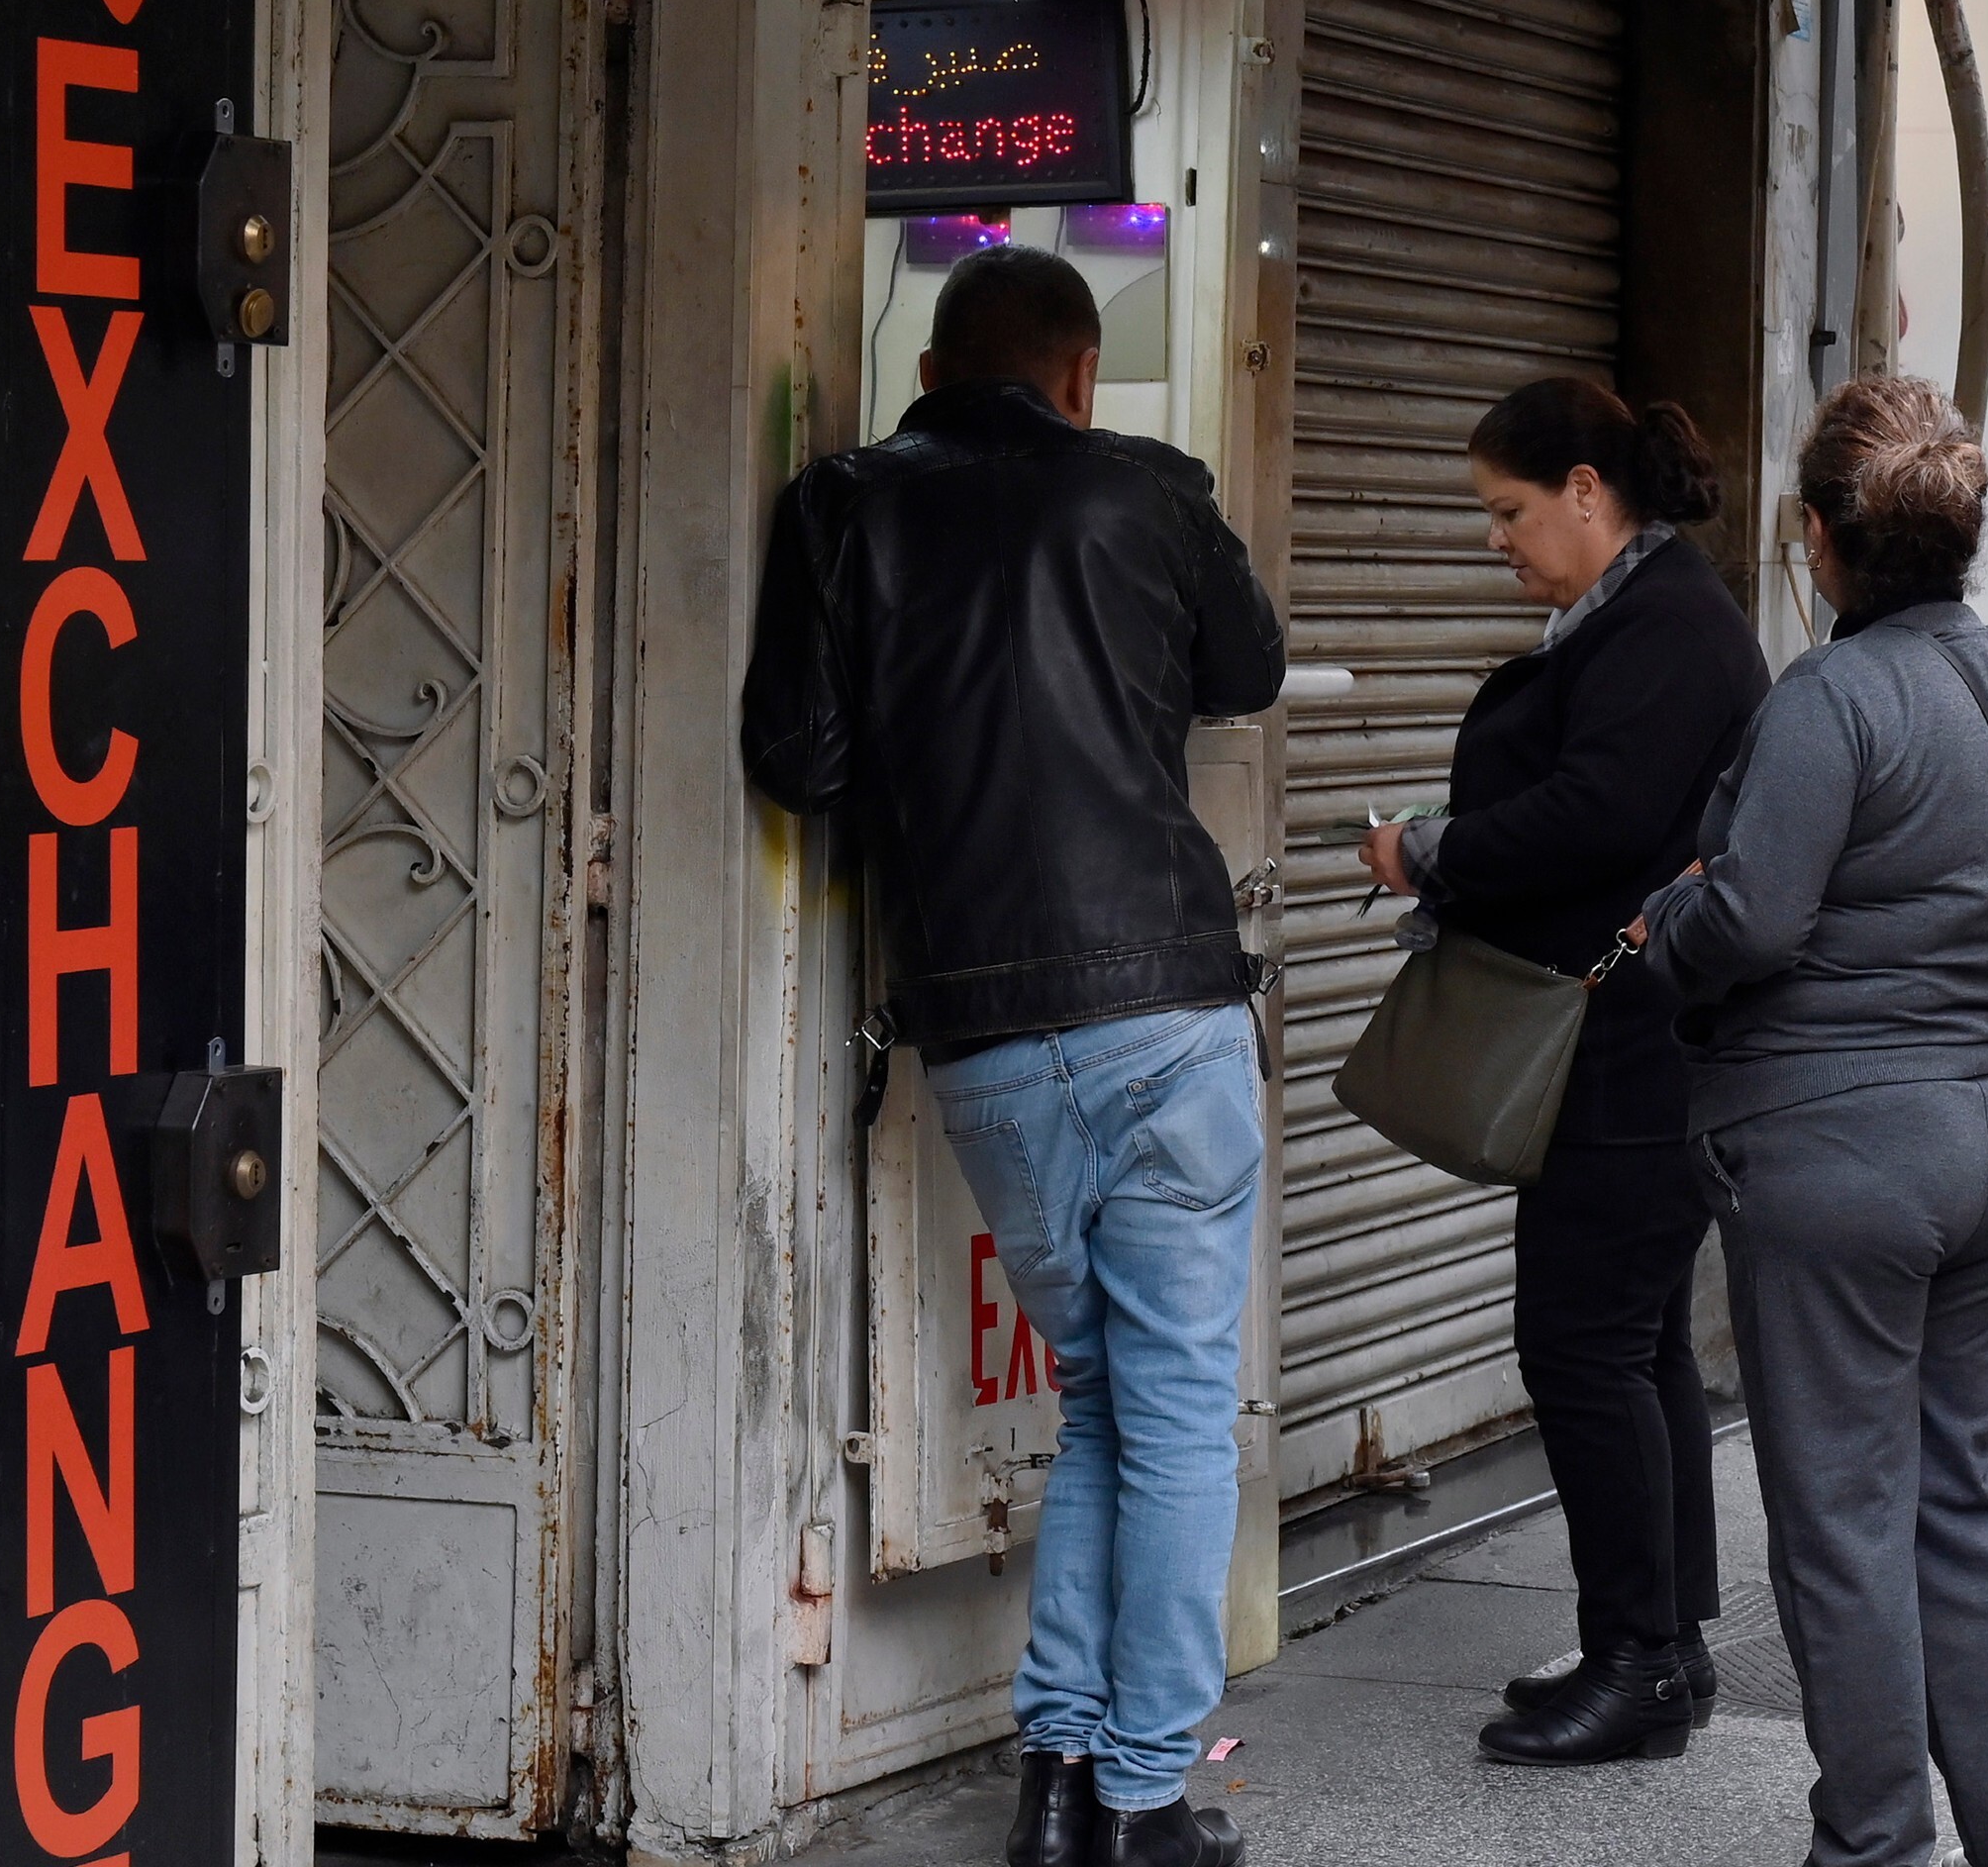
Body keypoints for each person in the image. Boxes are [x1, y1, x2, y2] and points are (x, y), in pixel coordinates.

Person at [740, 246, 1282, 1867]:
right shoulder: (1150, 489)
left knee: (1107, 1398)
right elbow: (1242, 672)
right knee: (1176, 1412)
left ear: (928, 376)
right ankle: (1141, 1797)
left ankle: (1057, 1774)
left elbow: (800, 759)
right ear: (1076, 379)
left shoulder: (842, 506)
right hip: (1164, 1017)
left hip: (980, 1037)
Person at [1635, 375, 1988, 1867]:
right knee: (1957, 1497)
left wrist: (1664, 938)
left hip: (1836, 1147)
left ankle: (1875, 1844)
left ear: (1821, 540)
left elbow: (1754, 920)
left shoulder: (1827, 700)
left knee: (1839, 1519)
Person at [1351, 377, 1769, 1765]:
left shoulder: (1668, 630)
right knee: (1635, 1345)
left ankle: (1642, 1658)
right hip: (1626, 1035)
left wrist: (1437, 848)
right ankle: (1658, 1647)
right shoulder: (1645, 618)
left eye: (1510, 511)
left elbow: (1604, 813)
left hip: (1634, 1048)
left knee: (1582, 1346)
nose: (1498, 541)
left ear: (1590, 489)